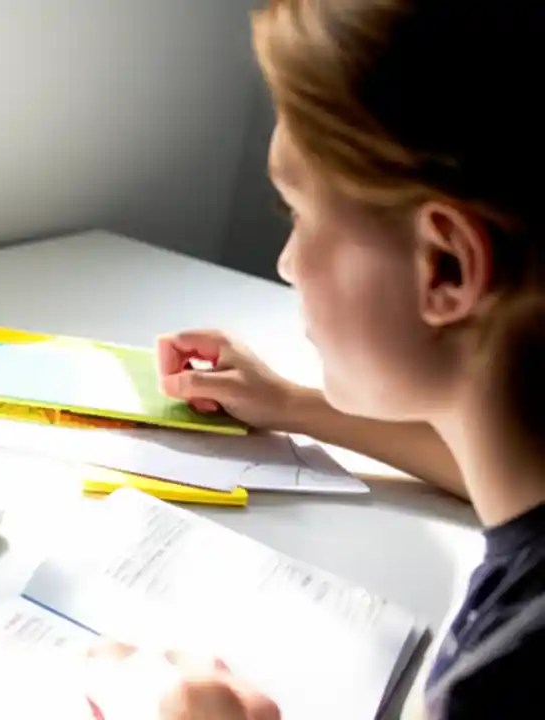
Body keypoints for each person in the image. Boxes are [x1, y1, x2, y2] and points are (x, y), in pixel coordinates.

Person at [98, 1, 545, 718]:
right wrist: (293, 404)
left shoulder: (506, 677)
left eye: (299, 215)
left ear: (447, 268)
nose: (285, 264)